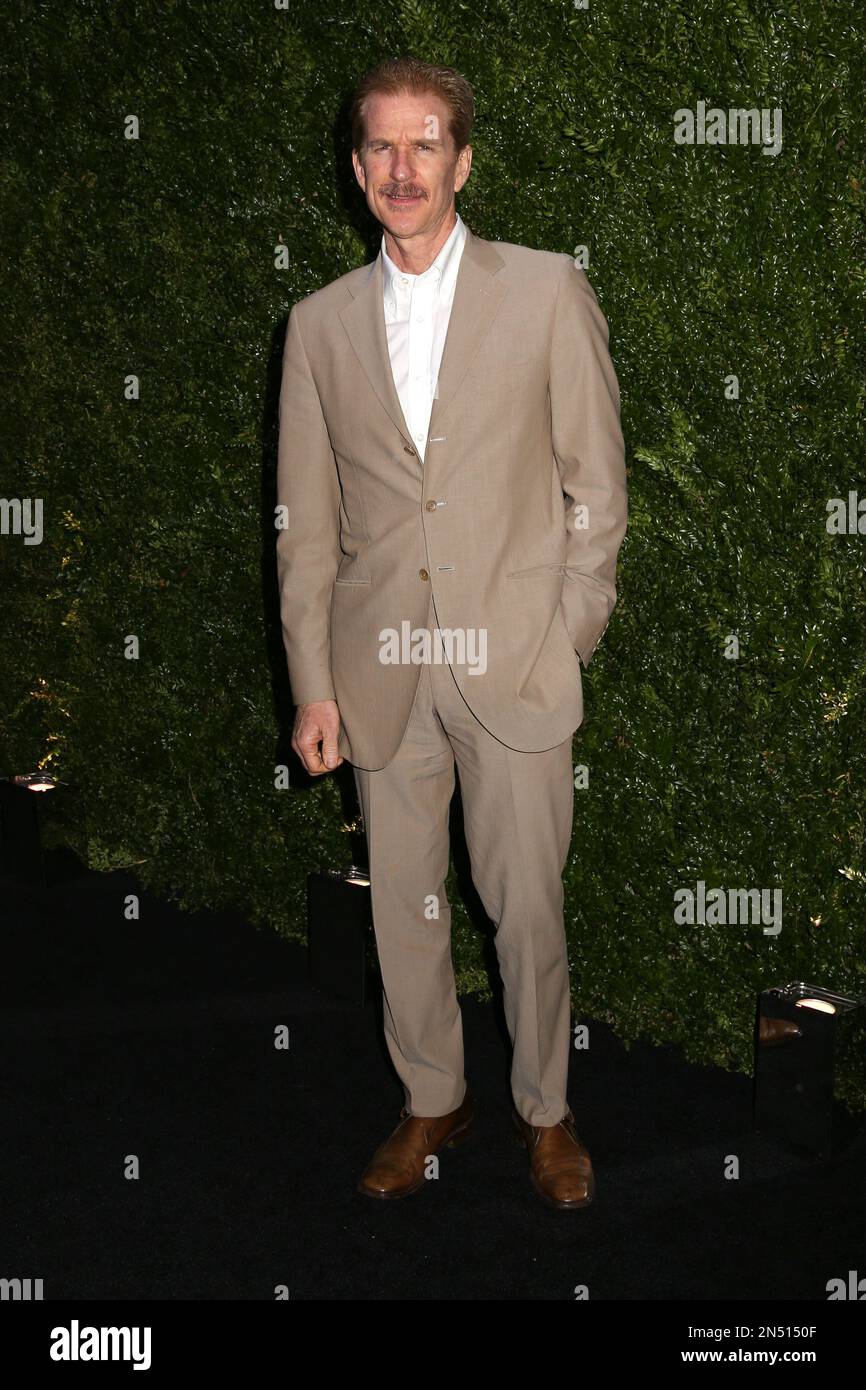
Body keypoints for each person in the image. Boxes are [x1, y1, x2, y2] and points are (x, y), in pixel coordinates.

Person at [277, 57, 627, 1209]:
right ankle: (433, 1096)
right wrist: (314, 683)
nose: (402, 167)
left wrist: (563, 631)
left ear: (462, 161)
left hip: (512, 662)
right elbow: (305, 527)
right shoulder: (317, 324)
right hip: (379, 671)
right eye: (380, 146)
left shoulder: (542, 291)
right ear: (355, 170)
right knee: (402, 905)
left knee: (524, 904)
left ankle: (545, 1109)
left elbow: (598, 487)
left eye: (425, 143)